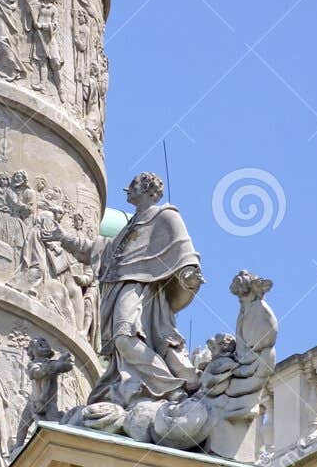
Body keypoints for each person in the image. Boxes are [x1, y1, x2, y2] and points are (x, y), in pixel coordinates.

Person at [50, 173, 203, 409]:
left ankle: (170, 387)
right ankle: (147, 386)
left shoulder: (166, 215)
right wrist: (64, 238)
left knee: (124, 338)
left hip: (141, 286)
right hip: (117, 288)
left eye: (133, 185)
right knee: (121, 343)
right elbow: (97, 250)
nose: (127, 189)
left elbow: (184, 250)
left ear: (150, 190)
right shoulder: (131, 225)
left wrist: (189, 274)